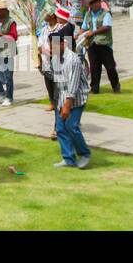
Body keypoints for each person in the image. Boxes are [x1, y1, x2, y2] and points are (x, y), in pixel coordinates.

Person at [52, 33, 92, 169]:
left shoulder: (73, 60)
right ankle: (68, 158)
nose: (53, 50)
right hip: (62, 98)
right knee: (60, 128)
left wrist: (67, 107)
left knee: (71, 126)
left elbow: (73, 86)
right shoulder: (56, 58)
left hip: (77, 98)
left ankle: (85, 154)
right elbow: (57, 80)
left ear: (63, 43)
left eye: (56, 47)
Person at [80, 0, 121, 94]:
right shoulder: (88, 15)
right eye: (94, 3)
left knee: (110, 67)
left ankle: (115, 85)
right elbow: (84, 27)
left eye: (98, 2)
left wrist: (92, 33)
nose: (97, 4)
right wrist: (77, 35)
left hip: (104, 44)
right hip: (92, 44)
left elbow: (106, 27)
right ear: (90, 5)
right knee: (94, 67)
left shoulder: (106, 13)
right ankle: (94, 88)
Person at [0, 0, 18, 105]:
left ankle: (9, 97)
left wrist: (1, 35)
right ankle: (0, 93)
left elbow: (14, 36)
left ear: (5, 10)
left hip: (8, 50)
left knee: (8, 75)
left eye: (0, 10)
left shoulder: (11, 21)